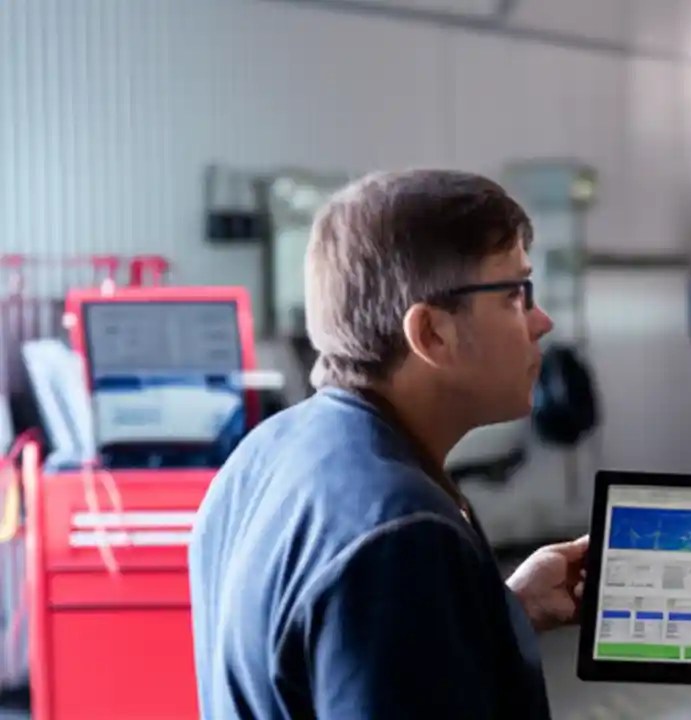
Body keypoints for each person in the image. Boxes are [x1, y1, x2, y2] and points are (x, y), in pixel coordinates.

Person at [189, 168, 584, 719]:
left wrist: (502, 613)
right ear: (430, 334)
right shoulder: (401, 535)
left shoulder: (264, 456)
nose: (541, 321)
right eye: (516, 296)